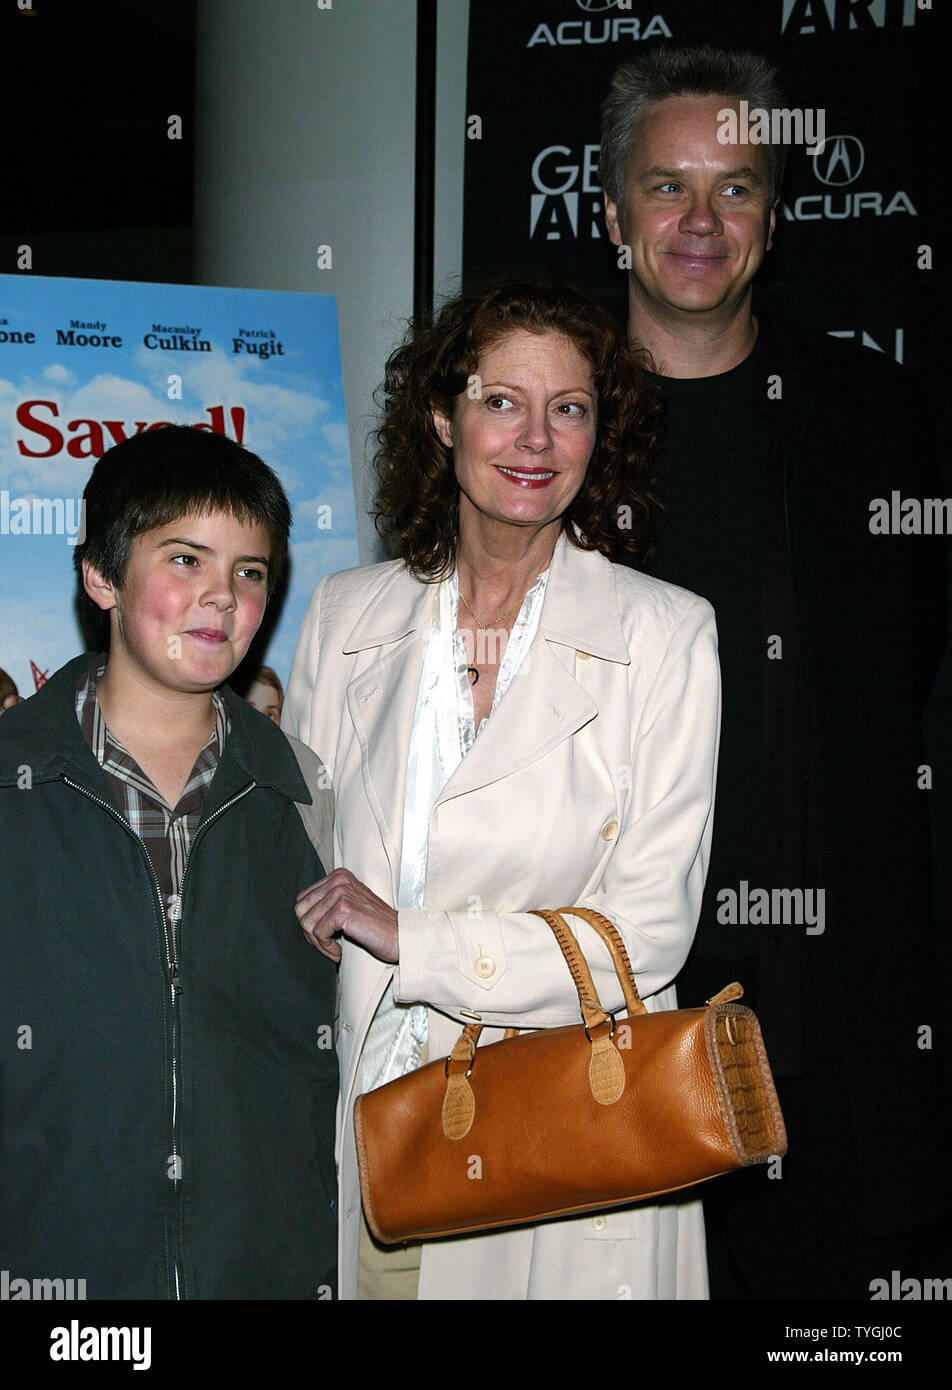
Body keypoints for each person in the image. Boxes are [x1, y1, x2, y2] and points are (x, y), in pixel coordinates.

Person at [283, 279, 721, 1301]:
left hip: (566, 1138)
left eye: (568, 407)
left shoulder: (664, 633)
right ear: (443, 416)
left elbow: (649, 930)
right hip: (380, 1120)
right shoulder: (345, 618)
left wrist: (417, 939)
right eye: (500, 401)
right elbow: (307, 870)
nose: (535, 438)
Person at [600, 45, 950, 1299]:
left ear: (774, 215)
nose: (700, 221)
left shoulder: (873, 416)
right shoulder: (541, 427)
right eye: (666, 186)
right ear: (610, 213)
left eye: (736, 188)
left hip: (829, 1042)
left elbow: (909, 678)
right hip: (602, 1033)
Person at [0, 426, 338, 1299]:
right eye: (186, 560)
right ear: (101, 576)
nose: (222, 598)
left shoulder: (309, 793)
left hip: (264, 1268)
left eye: (251, 572)